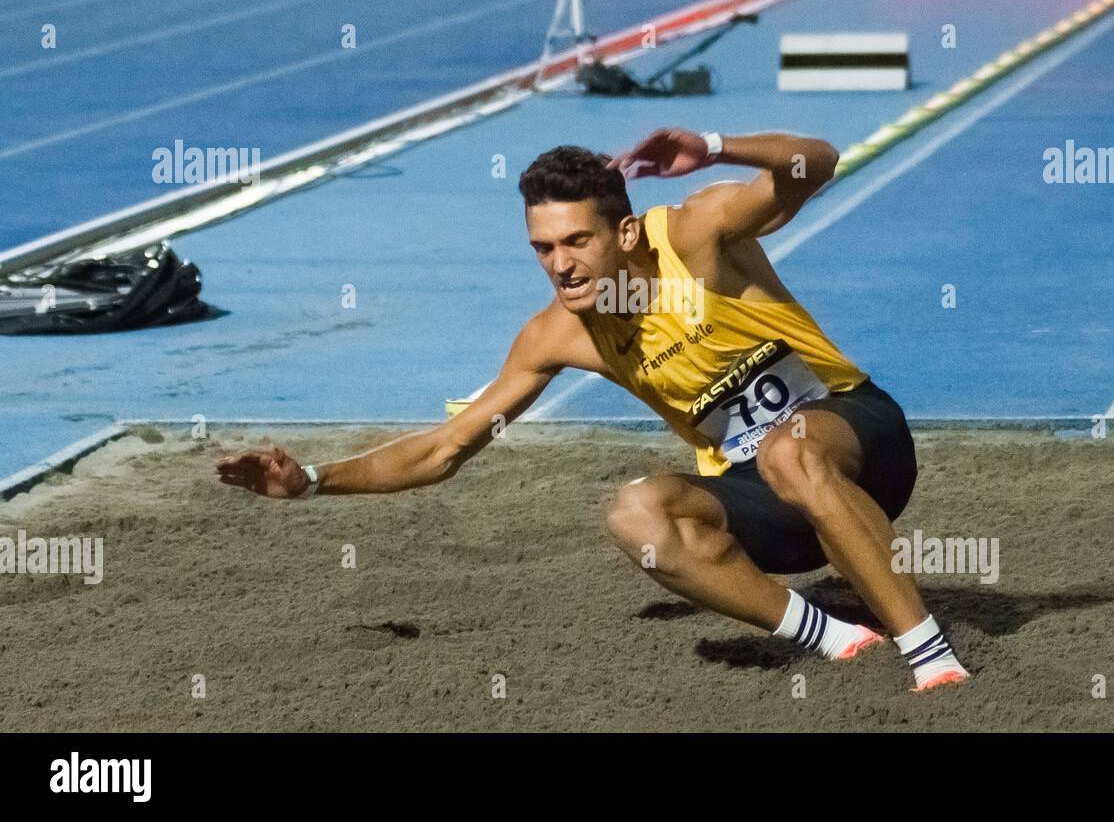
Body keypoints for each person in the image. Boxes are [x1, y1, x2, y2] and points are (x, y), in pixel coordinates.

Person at [217, 128, 969, 691]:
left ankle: (933, 659)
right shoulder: (558, 334)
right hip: (775, 502)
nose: (560, 264)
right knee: (633, 513)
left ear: (627, 232)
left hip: (860, 439)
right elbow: (445, 449)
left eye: (577, 240)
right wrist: (313, 479)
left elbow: (818, 163)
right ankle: (837, 638)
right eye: (543, 248)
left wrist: (712, 146)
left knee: (788, 451)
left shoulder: (698, 236)